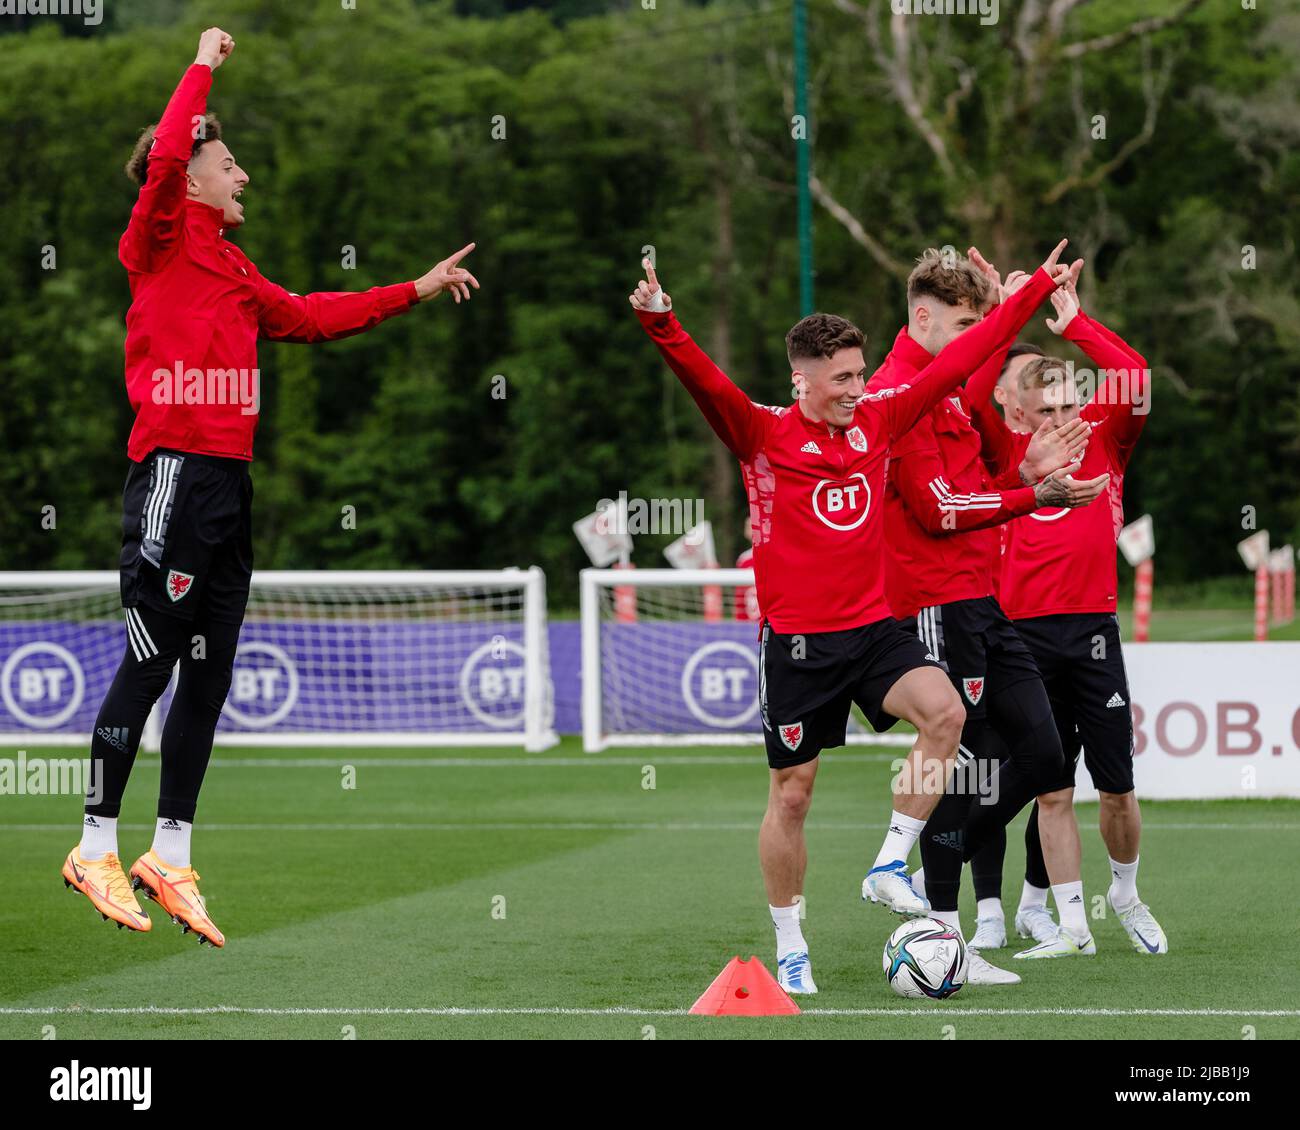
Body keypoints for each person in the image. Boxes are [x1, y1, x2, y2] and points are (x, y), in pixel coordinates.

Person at [62, 28, 480, 947]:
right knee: (151, 660)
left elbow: (308, 316)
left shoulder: (232, 266)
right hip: (172, 471)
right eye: (231, 162)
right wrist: (204, 62)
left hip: (227, 487)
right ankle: (94, 842)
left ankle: (168, 854)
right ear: (193, 178)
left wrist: (412, 288)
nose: (243, 175)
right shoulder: (161, 236)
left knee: (206, 677)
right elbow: (167, 150)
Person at [628, 244, 1071, 992]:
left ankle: (887, 863)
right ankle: (791, 941)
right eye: (840, 380)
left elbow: (968, 356)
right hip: (798, 648)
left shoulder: (880, 419)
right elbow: (704, 382)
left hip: (871, 632)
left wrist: (1029, 299)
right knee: (792, 794)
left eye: (860, 374)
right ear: (800, 379)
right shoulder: (762, 434)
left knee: (945, 713)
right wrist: (663, 322)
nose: (854, 390)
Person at [868, 248, 1106, 981]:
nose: (975, 336)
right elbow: (941, 512)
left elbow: (984, 479)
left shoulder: (943, 390)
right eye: (965, 323)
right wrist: (1034, 496)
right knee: (962, 767)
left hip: (981, 600)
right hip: (935, 602)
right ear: (923, 318)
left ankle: (1056, 918)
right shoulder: (896, 393)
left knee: (1044, 754)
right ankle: (942, 933)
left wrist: (1027, 472)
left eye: (979, 322)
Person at [966, 265, 1167, 956]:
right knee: (1031, 785)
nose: (1060, 420)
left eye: (1067, 405)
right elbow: (964, 392)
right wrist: (1006, 311)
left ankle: (1127, 894)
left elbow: (1134, 375)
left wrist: (1072, 322)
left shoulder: (1106, 438)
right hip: (1016, 641)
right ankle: (1035, 917)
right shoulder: (1002, 456)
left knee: (1117, 788)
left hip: (1092, 635)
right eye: (1044, 409)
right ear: (1018, 411)